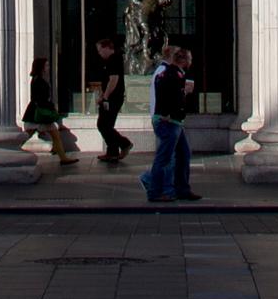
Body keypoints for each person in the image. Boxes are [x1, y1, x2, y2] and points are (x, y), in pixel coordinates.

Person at [142, 41, 200, 205]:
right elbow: (166, 96)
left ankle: (180, 189)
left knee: (182, 154)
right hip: (168, 121)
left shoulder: (172, 73)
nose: (190, 62)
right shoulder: (167, 73)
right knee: (166, 158)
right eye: (188, 59)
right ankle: (157, 189)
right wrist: (166, 114)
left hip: (173, 120)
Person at [20, 58, 80, 165]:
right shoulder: (38, 80)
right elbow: (40, 98)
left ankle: (62, 157)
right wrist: (50, 108)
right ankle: (63, 157)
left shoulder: (38, 79)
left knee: (54, 134)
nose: (48, 67)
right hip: (39, 113)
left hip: (38, 112)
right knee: (31, 134)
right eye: (46, 65)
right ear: (41, 67)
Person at [84, 31, 131, 165]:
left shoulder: (113, 59)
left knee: (103, 124)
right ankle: (112, 152)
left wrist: (105, 97)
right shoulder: (112, 60)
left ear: (106, 48)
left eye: (100, 50)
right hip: (111, 98)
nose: (99, 53)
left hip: (112, 98)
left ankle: (124, 144)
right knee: (106, 125)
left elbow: (113, 80)